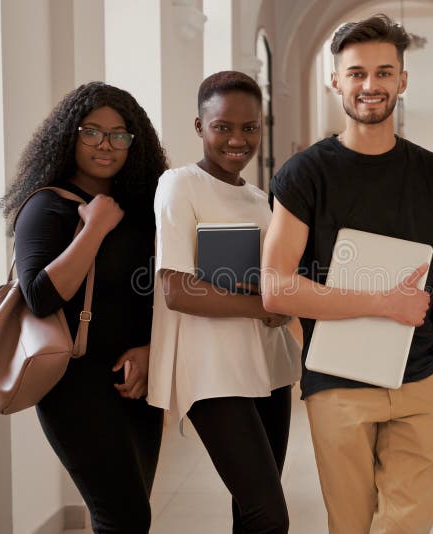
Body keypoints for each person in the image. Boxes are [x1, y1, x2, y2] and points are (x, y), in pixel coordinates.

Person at [261, 15, 433, 534]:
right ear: (336, 81)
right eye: (356, 73)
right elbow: (276, 287)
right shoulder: (305, 174)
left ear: (401, 79)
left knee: (406, 526)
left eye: (382, 72)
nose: (369, 85)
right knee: (349, 525)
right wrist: (383, 303)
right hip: (338, 384)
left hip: (424, 380)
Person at [0, 82, 168, 533]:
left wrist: (151, 350)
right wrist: (93, 228)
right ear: (69, 136)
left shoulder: (145, 208)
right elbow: (40, 296)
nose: (105, 145)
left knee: (130, 513)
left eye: (118, 134)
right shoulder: (46, 207)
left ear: (135, 142)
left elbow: (157, 293)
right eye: (91, 132)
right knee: (124, 517)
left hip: (136, 379)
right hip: (74, 385)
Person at [148, 71, 301, 534]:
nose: (238, 139)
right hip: (214, 372)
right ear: (200, 127)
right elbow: (176, 288)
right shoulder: (180, 185)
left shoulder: (260, 199)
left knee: (251, 509)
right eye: (223, 127)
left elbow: (272, 278)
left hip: (269, 364)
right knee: (269, 515)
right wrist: (263, 306)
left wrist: (286, 295)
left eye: (250, 128)